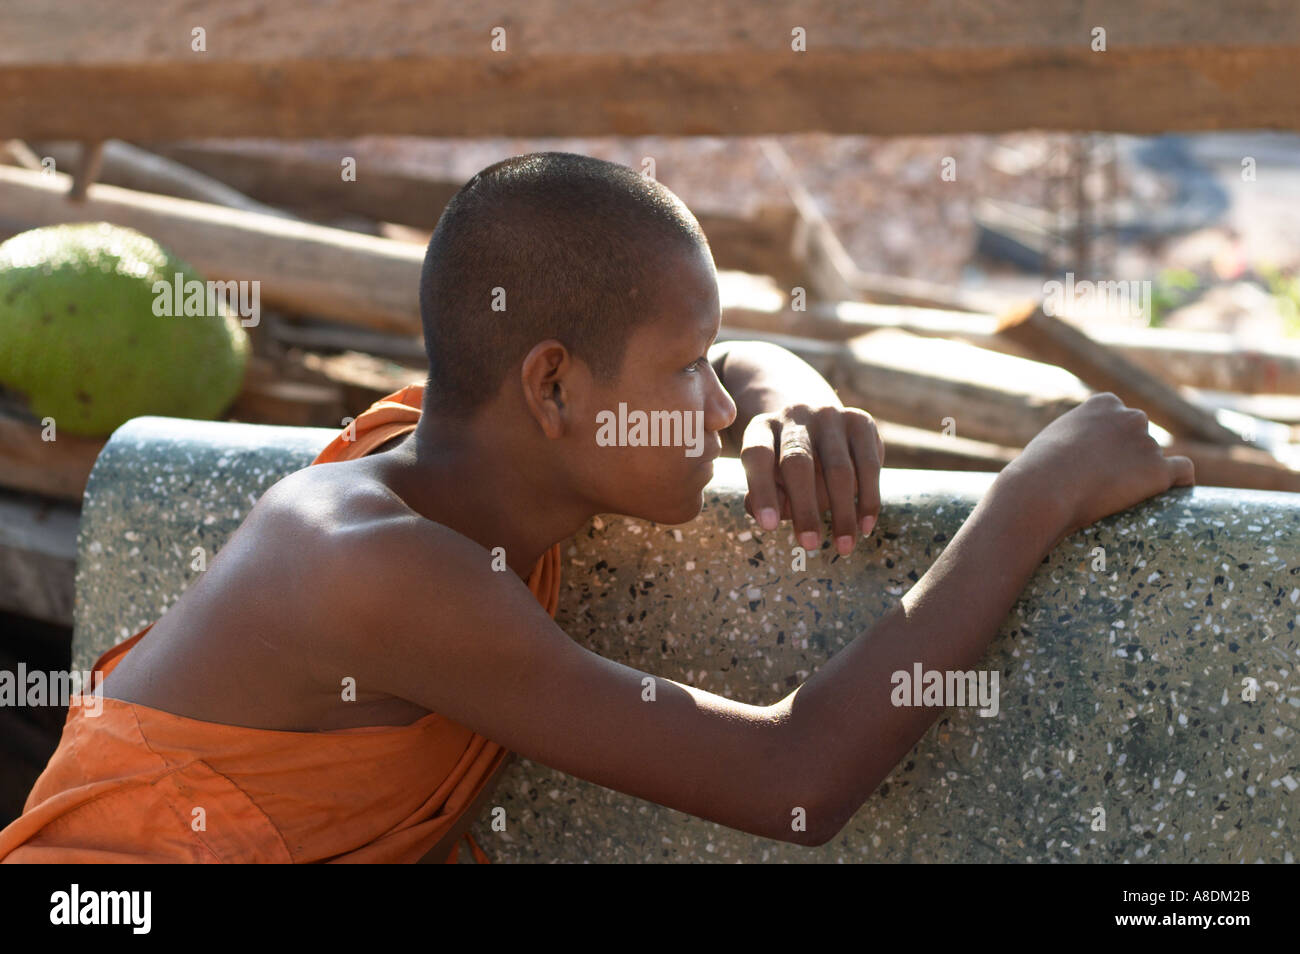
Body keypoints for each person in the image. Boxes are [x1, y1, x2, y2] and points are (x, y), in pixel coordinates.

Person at [0, 152, 1194, 862]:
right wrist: (1035, 495)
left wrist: (790, 387)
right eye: (692, 372)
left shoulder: (458, 445)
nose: (717, 412)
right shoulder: (368, 563)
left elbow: (731, 365)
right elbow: (793, 780)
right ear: (556, 385)